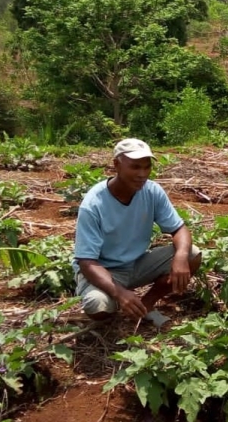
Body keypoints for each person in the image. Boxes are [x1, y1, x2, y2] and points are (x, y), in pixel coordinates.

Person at [73, 138, 201, 327]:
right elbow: (87, 262)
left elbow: (179, 229)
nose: (142, 174)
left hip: (136, 265)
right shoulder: (94, 204)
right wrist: (119, 293)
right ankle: (118, 305)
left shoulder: (152, 191)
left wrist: (181, 256)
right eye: (135, 167)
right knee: (97, 306)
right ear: (116, 164)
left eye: (146, 167)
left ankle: (146, 305)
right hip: (103, 270)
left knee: (192, 254)